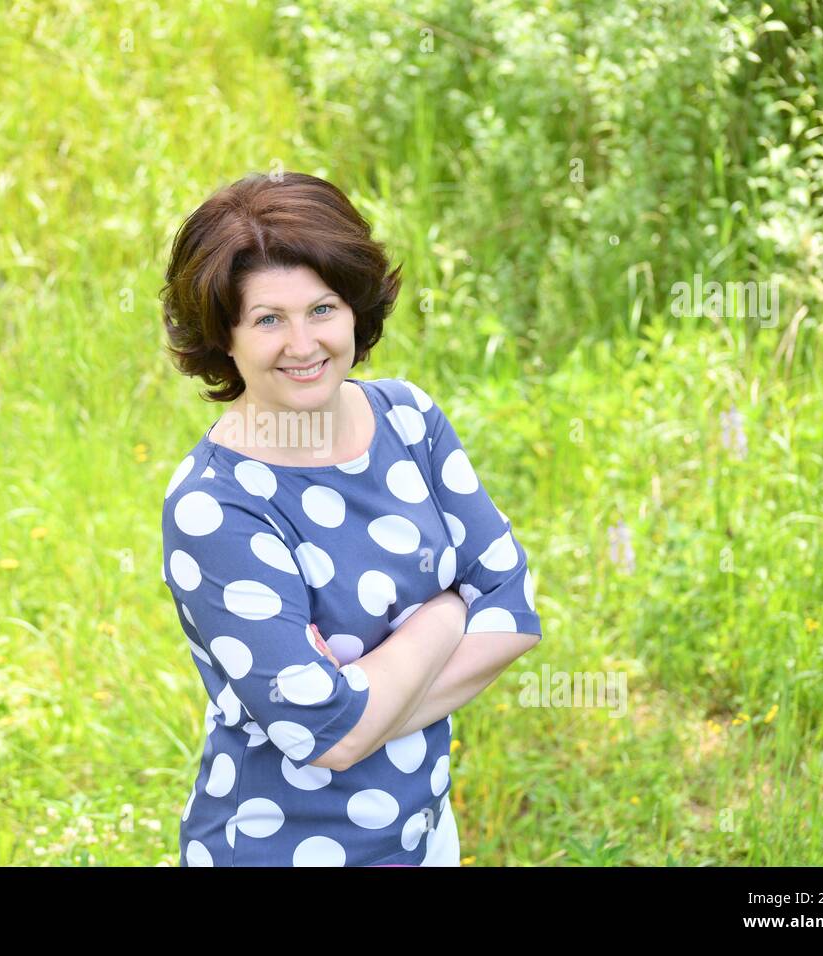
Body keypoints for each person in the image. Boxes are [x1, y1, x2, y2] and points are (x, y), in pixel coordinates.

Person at [158, 171, 543, 866]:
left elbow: (514, 612)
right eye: (268, 319)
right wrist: (449, 612)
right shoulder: (215, 507)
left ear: (356, 310)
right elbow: (327, 738)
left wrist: (361, 710)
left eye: (322, 309)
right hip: (282, 849)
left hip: (423, 837)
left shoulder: (407, 417)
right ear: (224, 338)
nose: (303, 344)